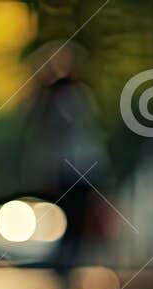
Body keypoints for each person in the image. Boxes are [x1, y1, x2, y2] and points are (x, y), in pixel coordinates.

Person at [19, 43, 107, 269]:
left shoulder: (77, 94)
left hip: (81, 166)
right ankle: (67, 260)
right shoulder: (45, 100)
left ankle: (71, 260)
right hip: (62, 168)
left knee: (77, 214)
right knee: (67, 214)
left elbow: (87, 133)